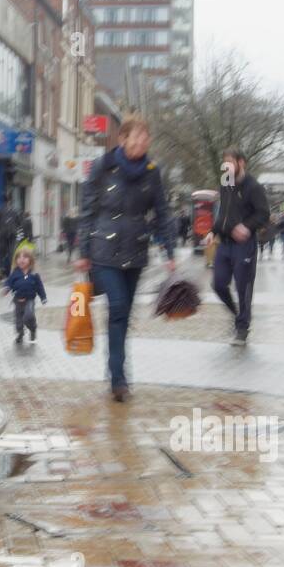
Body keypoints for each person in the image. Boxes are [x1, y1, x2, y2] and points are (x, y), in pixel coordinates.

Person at [75, 117, 175, 402]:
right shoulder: (103, 167)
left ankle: (115, 371)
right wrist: (83, 252)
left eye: (146, 140)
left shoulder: (152, 173)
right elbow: (87, 211)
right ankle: (119, 378)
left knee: (124, 315)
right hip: (104, 250)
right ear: (122, 139)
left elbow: (162, 212)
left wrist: (169, 251)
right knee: (117, 306)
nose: (141, 145)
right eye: (136, 139)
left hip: (136, 251)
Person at [208, 147, 269, 346]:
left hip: (244, 244)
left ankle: (242, 328)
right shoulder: (226, 182)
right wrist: (213, 231)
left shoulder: (253, 187)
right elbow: (223, 213)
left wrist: (247, 227)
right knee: (218, 284)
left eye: (230, 162)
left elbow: (263, 214)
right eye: (224, 162)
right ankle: (237, 313)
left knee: (243, 287)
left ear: (241, 163)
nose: (226, 166)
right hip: (224, 243)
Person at [4, 247, 47, 343]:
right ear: (16, 260)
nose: (21, 259)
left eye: (25, 257)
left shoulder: (34, 275)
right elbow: (8, 282)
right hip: (17, 300)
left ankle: (33, 329)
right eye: (19, 257)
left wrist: (43, 297)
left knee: (28, 316)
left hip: (29, 300)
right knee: (18, 320)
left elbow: (40, 287)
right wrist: (6, 288)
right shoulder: (15, 273)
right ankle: (20, 333)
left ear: (30, 260)